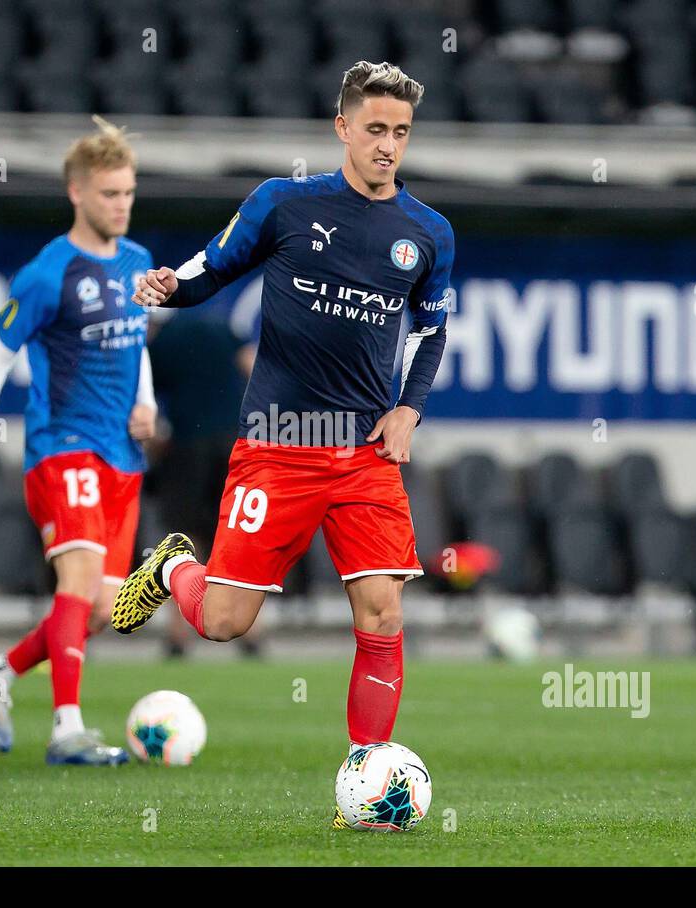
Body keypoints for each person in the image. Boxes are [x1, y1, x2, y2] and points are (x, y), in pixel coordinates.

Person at [111, 61, 455, 827]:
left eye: (400, 132)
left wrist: (410, 410)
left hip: (365, 452)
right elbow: (213, 267)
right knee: (227, 623)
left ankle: (364, 787)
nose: (388, 146)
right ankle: (175, 567)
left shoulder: (429, 234)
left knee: (382, 614)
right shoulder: (285, 204)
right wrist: (171, 284)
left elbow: (432, 330)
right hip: (280, 442)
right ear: (342, 128)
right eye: (375, 129)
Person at [0, 116, 157, 766]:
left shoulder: (140, 262)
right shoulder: (46, 274)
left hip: (123, 455)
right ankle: (67, 728)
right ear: (77, 193)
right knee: (81, 574)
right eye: (109, 194)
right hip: (62, 447)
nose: (121, 205)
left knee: (100, 610)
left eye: (128, 193)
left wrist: (147, 401)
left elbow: (134, 343)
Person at [145, 312, 262, 658]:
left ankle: (178, 634)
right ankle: (252, 629)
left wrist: (154, 448)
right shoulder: (221, 325)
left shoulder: (159, 345)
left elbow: (144, 406)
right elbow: (253, 367)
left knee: (183, 538)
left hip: (185, 448)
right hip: (232, 446)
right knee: (236, 535)